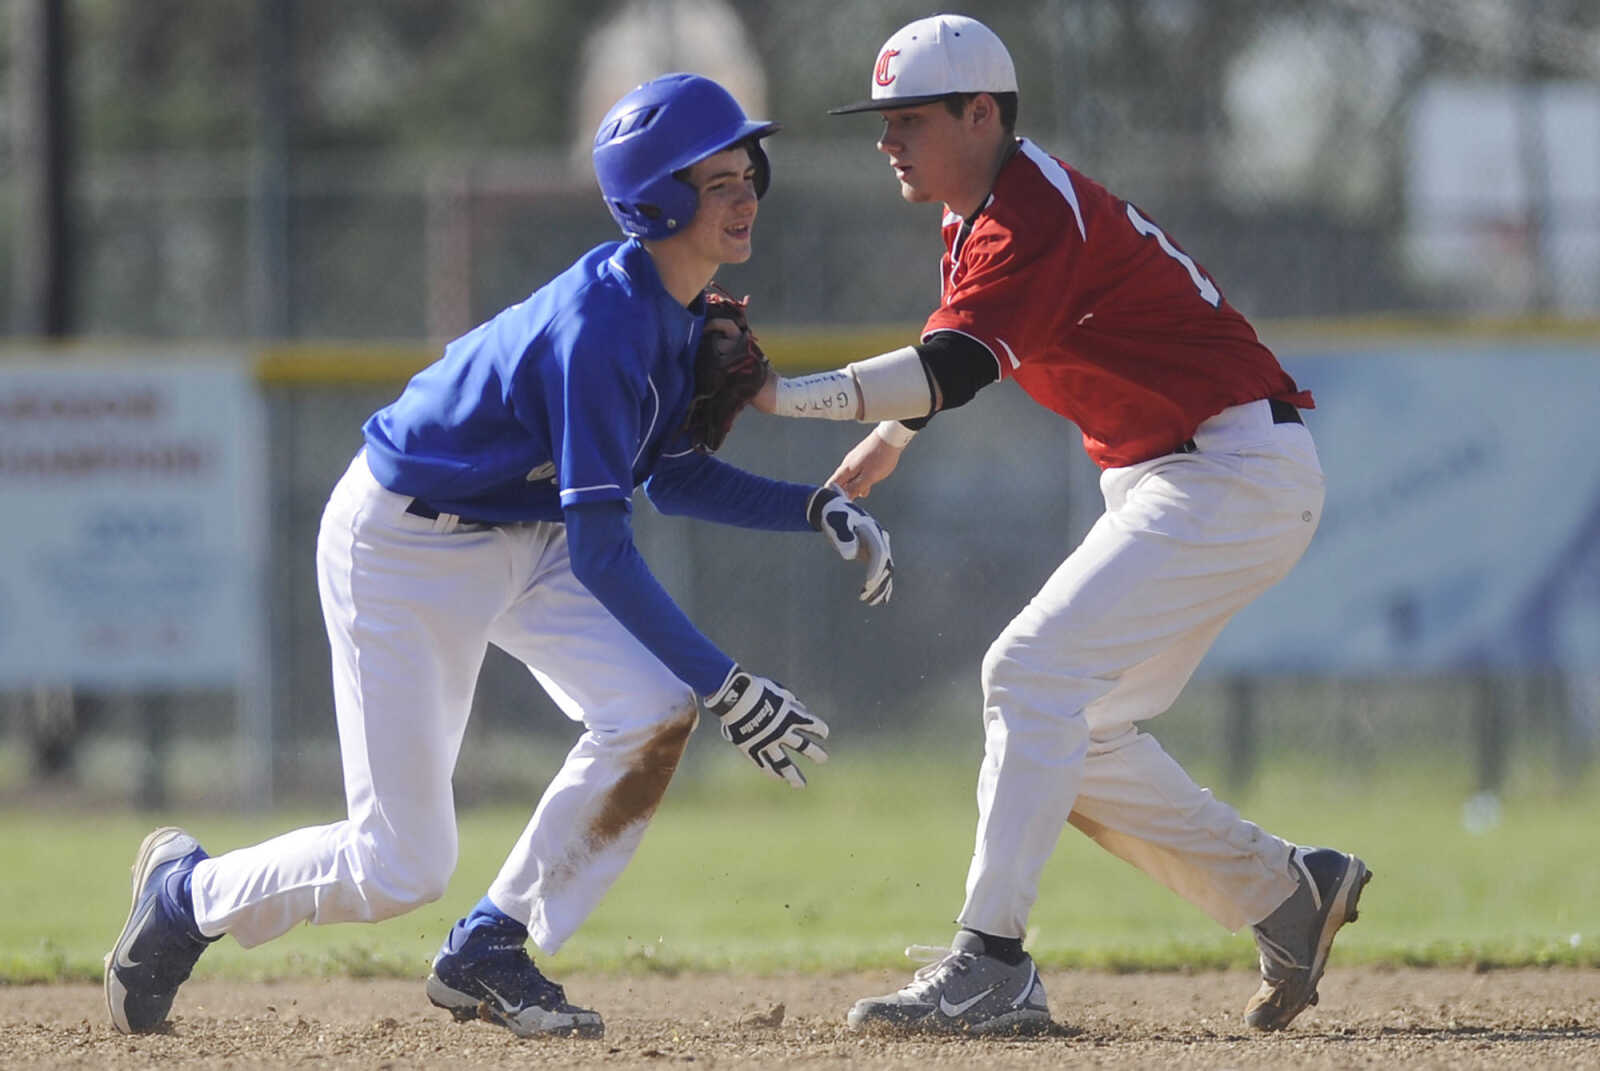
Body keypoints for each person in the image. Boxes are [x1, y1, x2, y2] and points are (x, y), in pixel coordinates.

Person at [104, 72, 894, 1041]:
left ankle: (491, 945)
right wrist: (733, 685)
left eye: (747, 170)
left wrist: (814, 507)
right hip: (406, 543)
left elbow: (671, 477)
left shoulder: (678, 312)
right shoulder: (602, 327)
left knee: (649, 710)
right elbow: (607, 553)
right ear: (657, 199)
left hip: (524, 533)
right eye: (716, 178)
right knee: (399, 866)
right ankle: (189, 897)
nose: (744, 194)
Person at [753, 14, 1370, 1036]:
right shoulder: (983, 212)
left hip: (1225, 469)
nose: (886, 140)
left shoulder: (1031, 210)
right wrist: (893, 441)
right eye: (884, 121)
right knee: (1070, 732)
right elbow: (954, 341)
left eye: (908, 118)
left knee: (1026, 673)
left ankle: (990, 962)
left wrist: (779, 396)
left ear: (980, 112)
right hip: (1180, 474)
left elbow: (955, 367)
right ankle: (1286, 894)